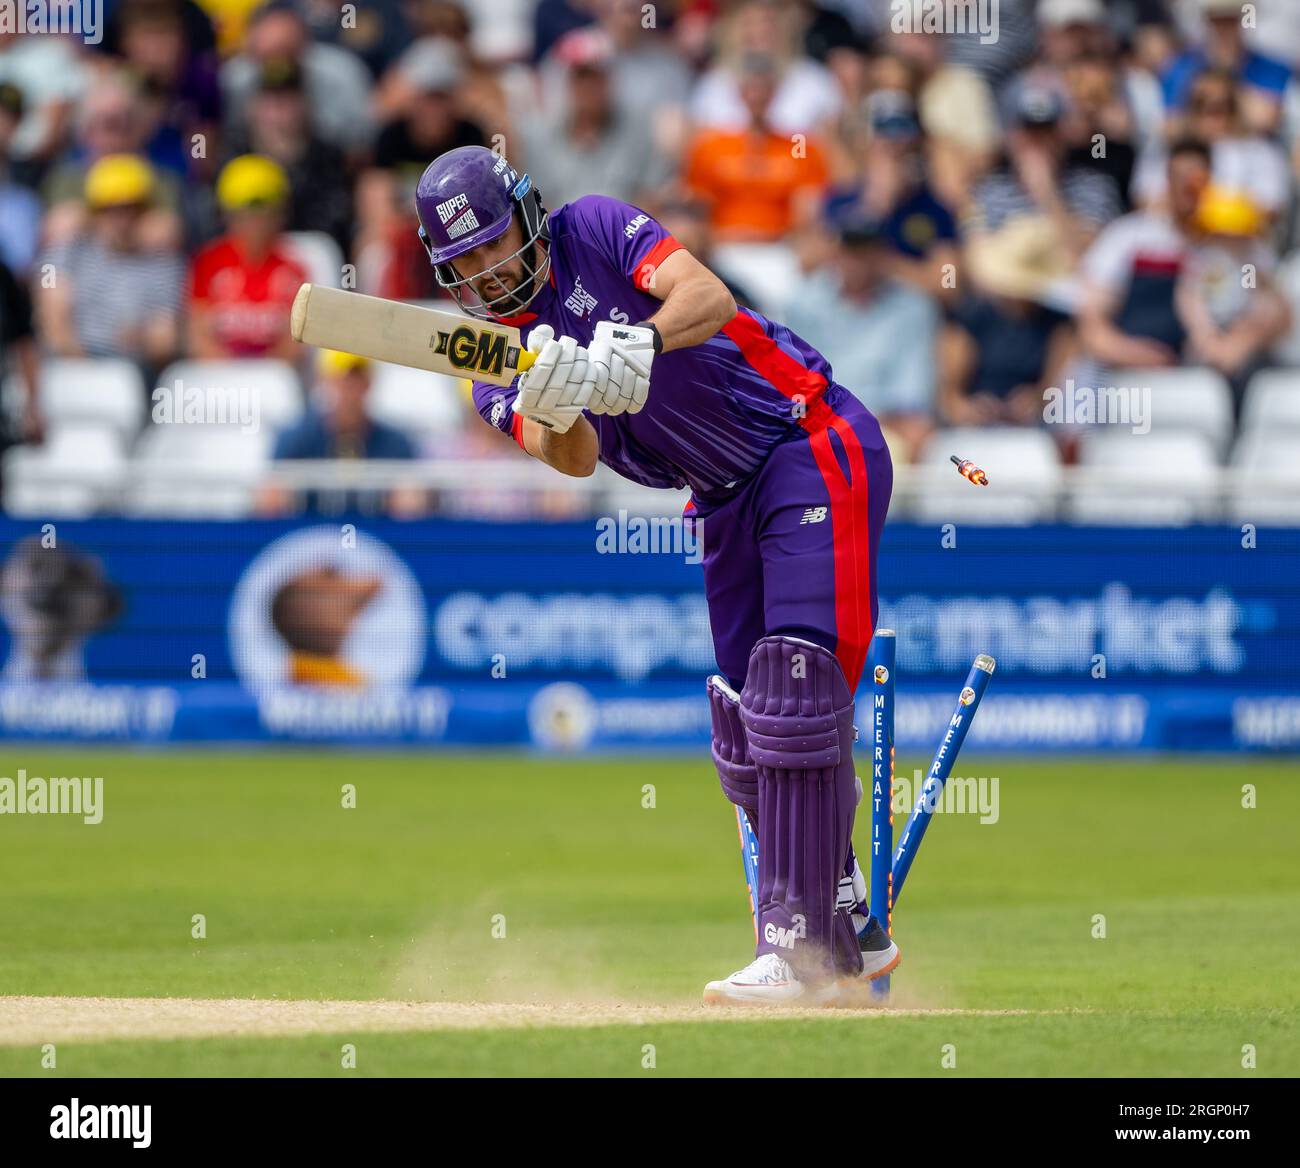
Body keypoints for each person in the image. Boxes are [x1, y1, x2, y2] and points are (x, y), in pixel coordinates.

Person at [416, 144, 896, 1005]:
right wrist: (551, 400)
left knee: (794, 683)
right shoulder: (482, 351)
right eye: (467, 263)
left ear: (527, 217)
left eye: (495, 244)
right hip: (718, 495)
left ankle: (791, 947)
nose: (489, 272)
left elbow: (707, 295)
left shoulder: (593, 227)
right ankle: (840, 913)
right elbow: (571, 458)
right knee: (752, 725)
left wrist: (637, 340)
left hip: (804, 438)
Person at [257, 349, 425, 517]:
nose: (350, 388)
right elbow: (269, 502)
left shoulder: (395, 442)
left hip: (376, 537)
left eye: (358, 377)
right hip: (311, 538)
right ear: (324, 381)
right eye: (342, 379)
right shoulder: (296, 439)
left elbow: (412, 506)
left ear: (370, 382)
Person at [187, 154, 306, 360]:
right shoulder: (208, 263)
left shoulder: (293, 267)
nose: (254, 223)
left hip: (274, 382)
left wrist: (261, 377)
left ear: (280, 215)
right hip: (221, 382)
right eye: (243, 213)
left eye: (263, 213)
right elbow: (197, 338)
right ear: (226, 215)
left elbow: (295, 344)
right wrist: (237, 377)